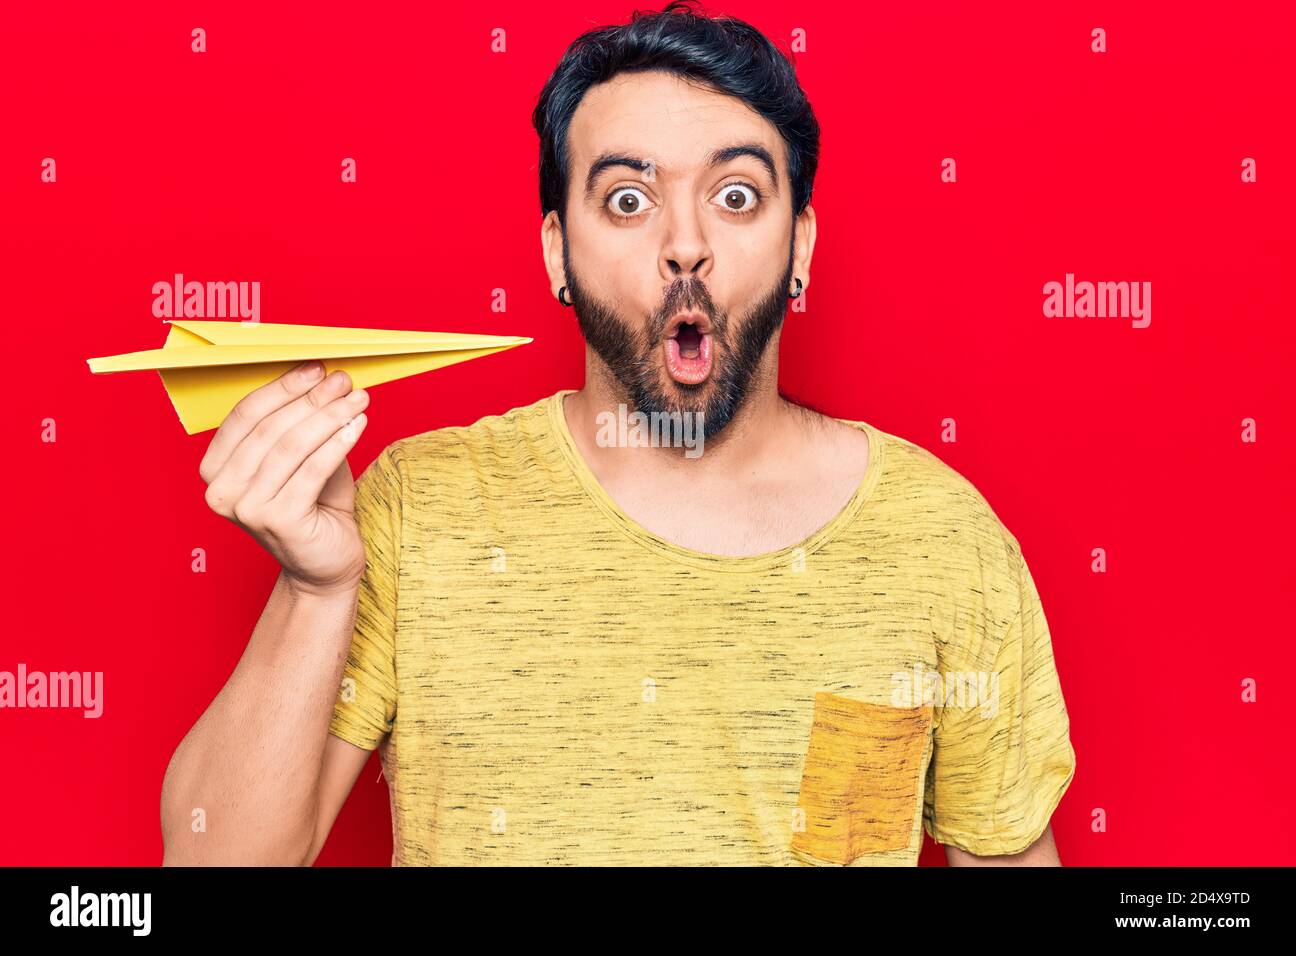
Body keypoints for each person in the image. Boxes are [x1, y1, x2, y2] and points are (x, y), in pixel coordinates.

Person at [160, 0, 1076, 866]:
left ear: (801, 246)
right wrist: (315, 591)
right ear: (557, 251)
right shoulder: (419, 508)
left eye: (738, 196)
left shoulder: (942, 543)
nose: (685, 244)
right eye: (630, 200)